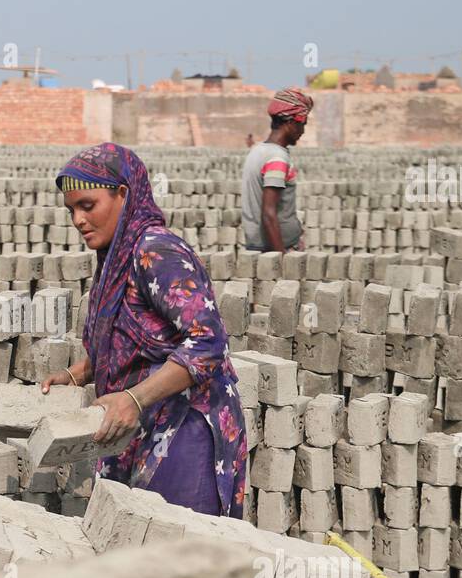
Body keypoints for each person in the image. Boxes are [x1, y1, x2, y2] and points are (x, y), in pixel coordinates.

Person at [39, 142, 248, 518]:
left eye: (88, 206)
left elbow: (208, 343)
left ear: (124, 194)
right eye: (71, 210)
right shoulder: (116, 256)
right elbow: (131, 339)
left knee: (178, 553)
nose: (78, 221)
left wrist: (133, 399)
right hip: (142, 422)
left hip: (184, 427)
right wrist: (77, 374)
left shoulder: (156, 253)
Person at [241, 87, 312, 253]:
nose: (302, 131)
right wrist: (281, 258)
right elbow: (268, 213)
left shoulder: (257, 150)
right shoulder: (277, 158)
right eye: (302, 125)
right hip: (275, 248)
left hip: (257, 246)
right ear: (290, 123)